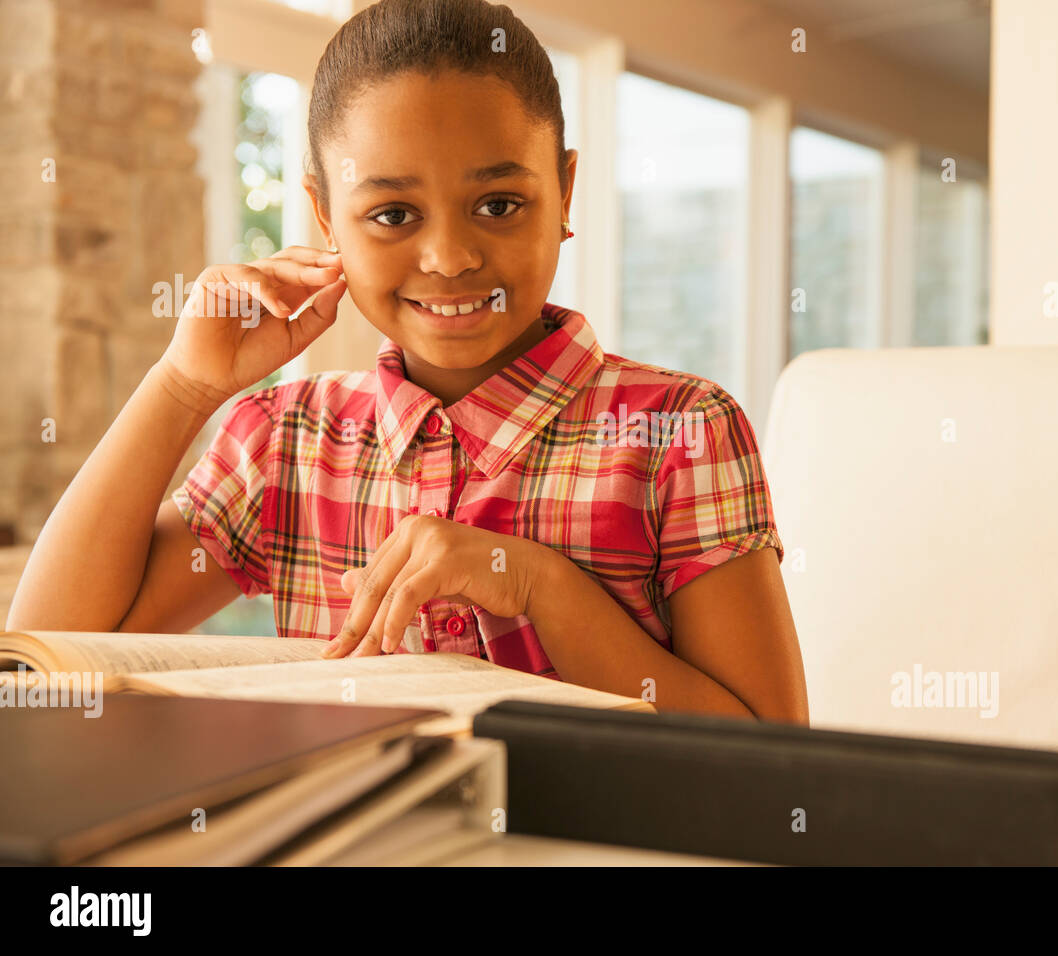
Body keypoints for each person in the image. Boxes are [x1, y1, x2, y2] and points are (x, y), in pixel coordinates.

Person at [8, 0, 807, 723]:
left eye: (498, 205)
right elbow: (50, 651)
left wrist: (538, 585)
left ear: (565, 194)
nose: (451, 257)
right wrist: (182, 385)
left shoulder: (681, 431)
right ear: (327, 216)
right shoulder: (287, 442)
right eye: (392, 214)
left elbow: (775, 760)